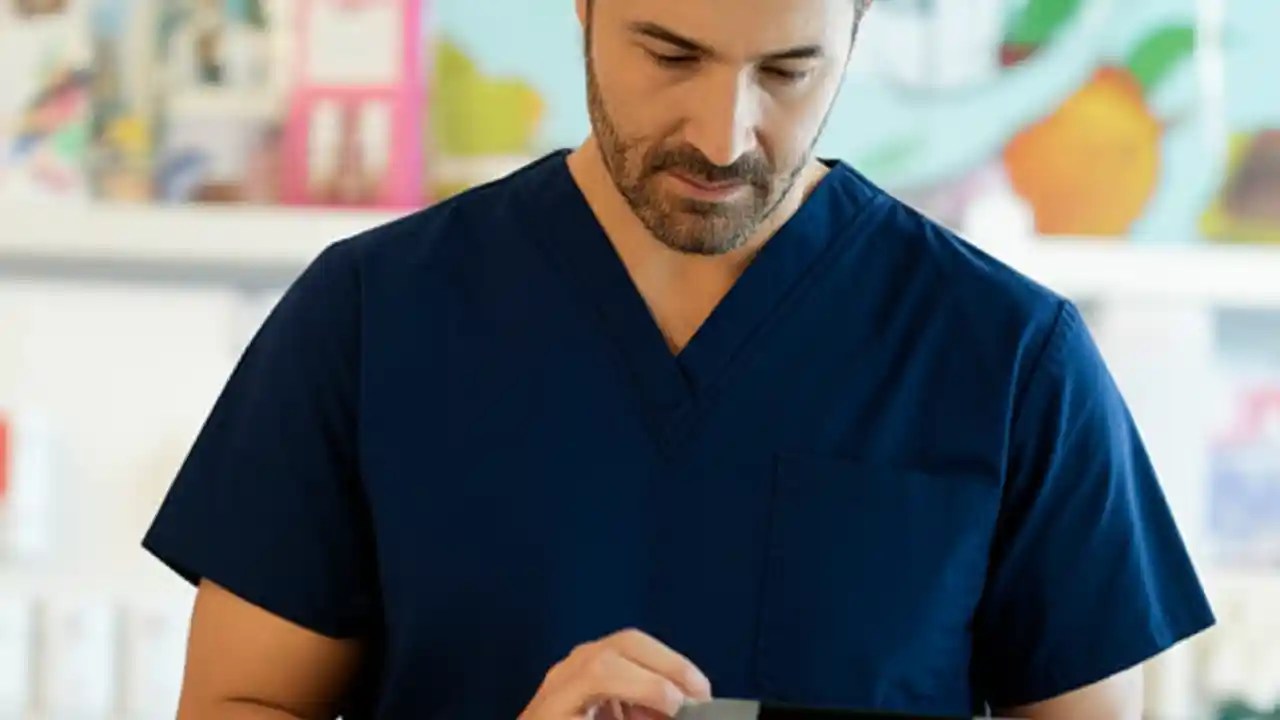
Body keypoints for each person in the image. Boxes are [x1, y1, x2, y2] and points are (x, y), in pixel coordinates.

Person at [143, 0, 1216, 718]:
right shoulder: (371, 316)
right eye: (670, 56)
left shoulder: (1011, 360)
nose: (722, 134)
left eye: (788, 70)